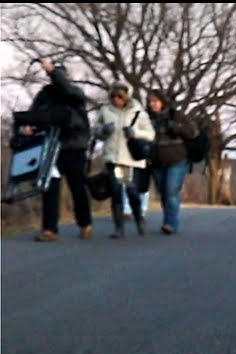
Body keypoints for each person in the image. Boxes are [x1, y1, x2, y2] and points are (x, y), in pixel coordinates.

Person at [19, 57, 93, 241]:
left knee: (77, 187)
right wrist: (28, 127)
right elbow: (34, 115)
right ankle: (50, 229)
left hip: (74, 146)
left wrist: (52, 70)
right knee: (49, 187)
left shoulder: (74, 93)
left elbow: (66, 88)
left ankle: (85, 224)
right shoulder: (44, 95)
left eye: (58, 74)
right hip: (50, 147)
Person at [95, 81, 155, 238]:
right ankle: (118, 227)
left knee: (132, 191)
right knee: (115, 191)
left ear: (126, 97)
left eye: (119, 96)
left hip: (130, 159)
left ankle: (139, 218)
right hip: (113, 158)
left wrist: (135, 132)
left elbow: (150, 134)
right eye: (113, 96)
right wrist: (103, 130)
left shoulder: (138, 112)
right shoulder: (105, 110)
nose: (116, 99)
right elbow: (95, 130)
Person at [145, 88, 196, 235]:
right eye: (149, 102)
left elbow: (193, 131)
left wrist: (176, 127)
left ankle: (170, 223)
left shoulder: (176, 115)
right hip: (156, 161)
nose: (152, 104)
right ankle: (168, 218)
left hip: (177, 159)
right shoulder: (146, 118)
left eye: (154, 101)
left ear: (162, 101)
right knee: (163, 192)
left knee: (171, 190)